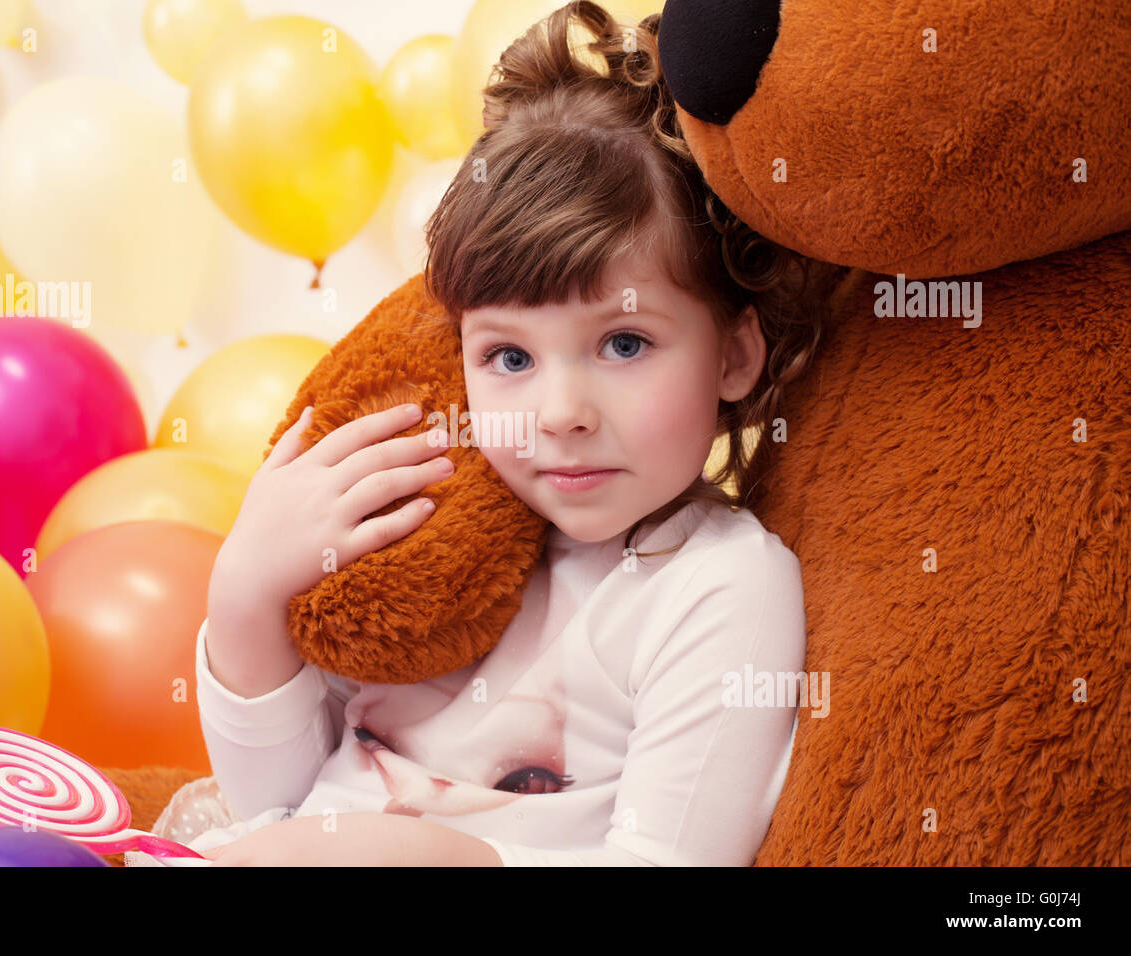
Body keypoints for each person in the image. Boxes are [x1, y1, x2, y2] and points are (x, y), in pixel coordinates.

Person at [130, 0, 832, 867]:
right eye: (507, 357)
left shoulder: (716, 587)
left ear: (732, 355)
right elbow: (274, 804)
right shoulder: (428, 516)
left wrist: (443, 858)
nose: (559, 412)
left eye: (623, 342)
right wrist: (245, 599)